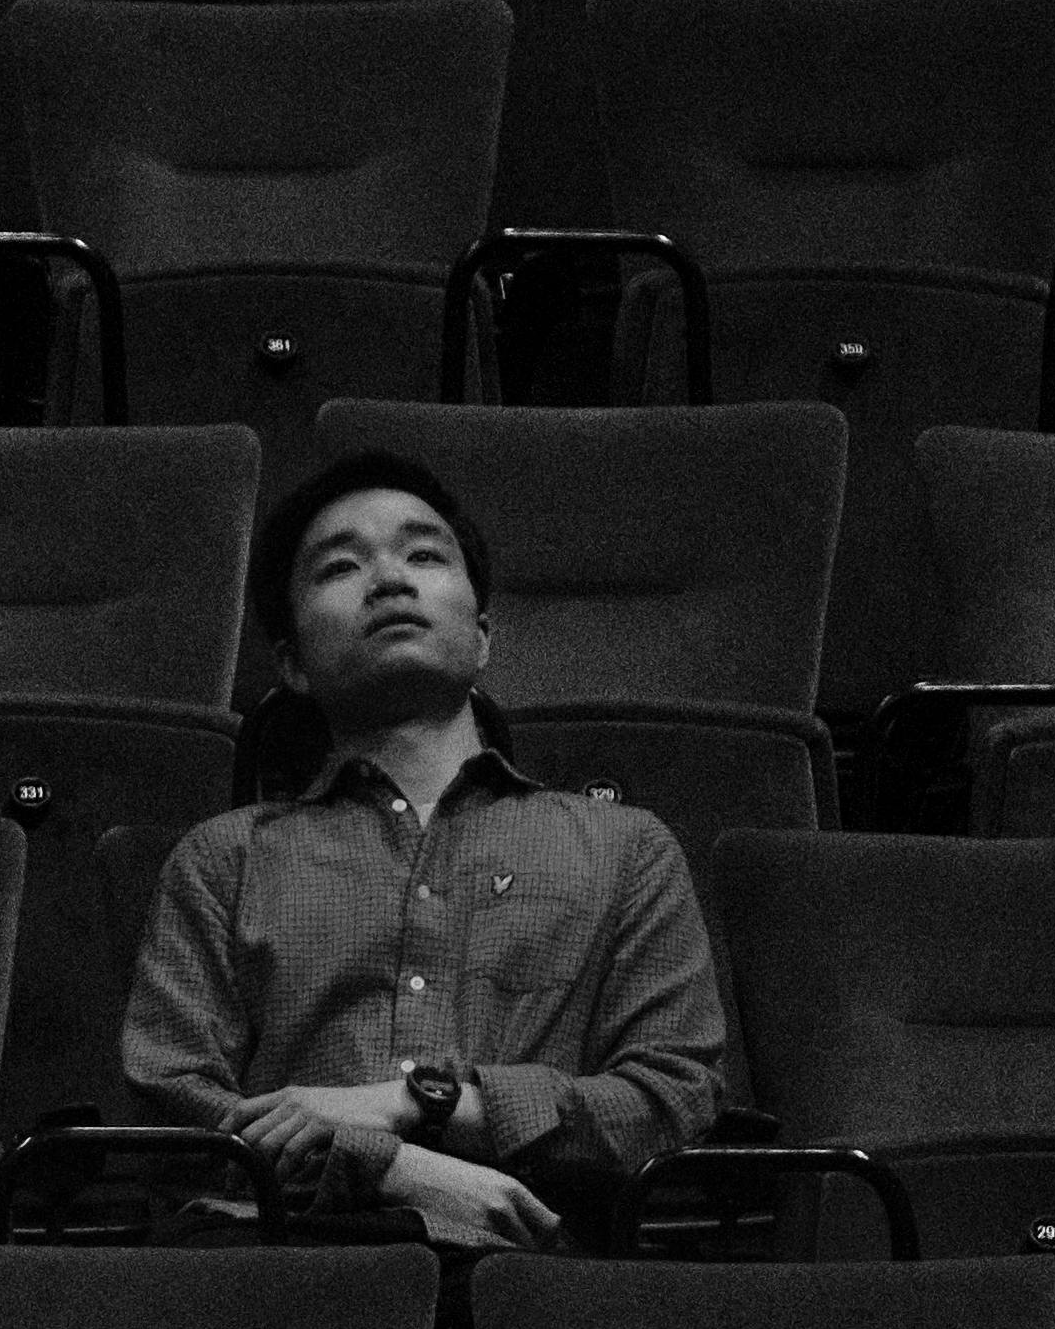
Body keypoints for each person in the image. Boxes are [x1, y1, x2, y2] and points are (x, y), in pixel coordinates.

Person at [119, 449, 731, 1249]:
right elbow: (172, 1115)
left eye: (423, 554)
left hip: (524, 1281)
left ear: (481, 636)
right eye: (340, 566)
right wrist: (393, 1168)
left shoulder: (625, 849)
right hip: (277, 1271)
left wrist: (421, 1102)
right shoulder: (223, 858)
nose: (387, 579)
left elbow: (670, 1102)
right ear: (292, 663)